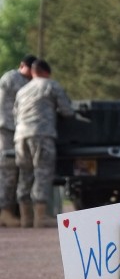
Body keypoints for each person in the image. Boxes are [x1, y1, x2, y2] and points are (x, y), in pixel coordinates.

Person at [13, 58, 75, 228]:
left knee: (25, 174)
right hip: (41, 134)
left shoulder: (22, 90)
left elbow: (15, 113)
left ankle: (26, 218)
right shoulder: (50, 85)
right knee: (42, 172)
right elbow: (67, 111)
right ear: (47, 72)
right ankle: (40, 218)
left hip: (20, 136)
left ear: (33, 72)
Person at [0, 53, 36, 227]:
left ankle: (12, 211)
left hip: (17, 130)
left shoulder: (26, 80)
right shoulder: (13, 78)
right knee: (8, 171)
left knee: (18, 171)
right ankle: (5, 212)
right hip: (7, 129)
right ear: (23, 66)